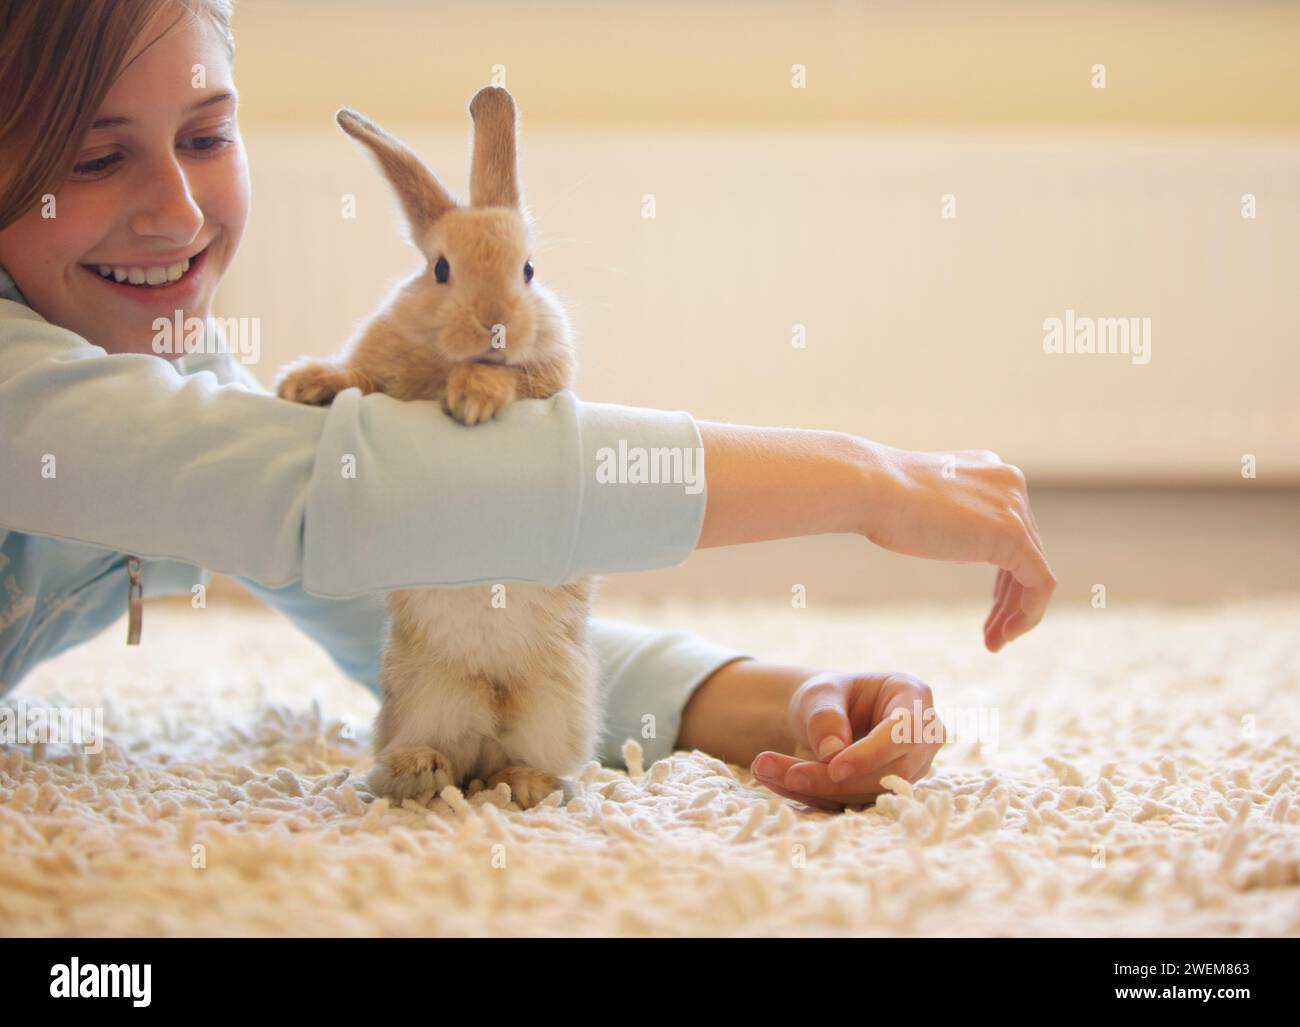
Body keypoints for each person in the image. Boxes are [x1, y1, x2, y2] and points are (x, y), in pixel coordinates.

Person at [0, 0, 1055, 811]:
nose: (178, 212)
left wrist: (789, 696)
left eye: (205, 138)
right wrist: (867, 481)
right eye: (95, 158)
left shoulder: (181, 372)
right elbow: (364, 497)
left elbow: (444, 579)